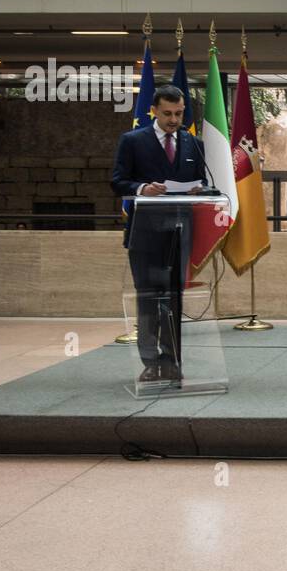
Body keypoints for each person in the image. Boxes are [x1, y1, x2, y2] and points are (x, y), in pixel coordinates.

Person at [110, 85, 208, 384]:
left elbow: (203, 180)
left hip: (179, 231)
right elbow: (118, 181)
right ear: (154, 111)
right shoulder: (133, 140)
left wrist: (200, 189)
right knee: (148, 298)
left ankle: (172, 360)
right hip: (145, 232)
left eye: (179, 113)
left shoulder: (193, 143)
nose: (174, 120)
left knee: (173, 299)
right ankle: (150, 362)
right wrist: (142, 188)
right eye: (167, 114)